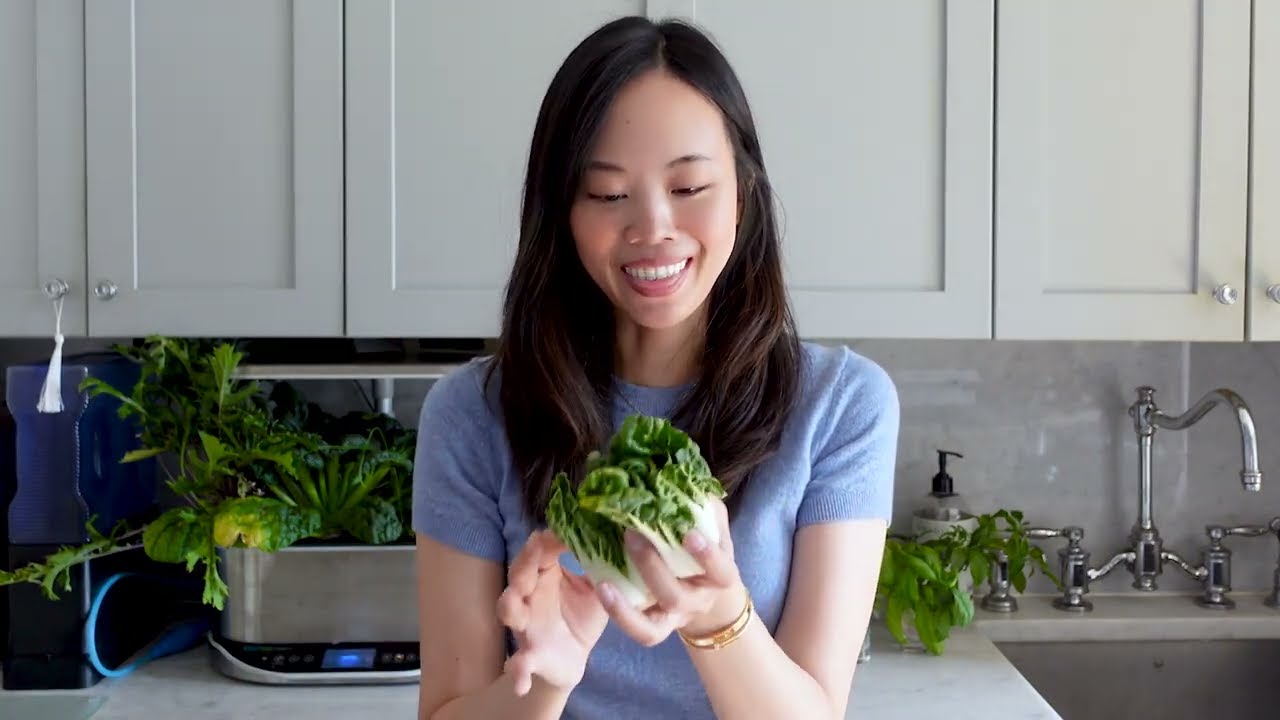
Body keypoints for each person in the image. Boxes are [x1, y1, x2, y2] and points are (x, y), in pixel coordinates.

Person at [411, 15, 898, 720]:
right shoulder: (472, 413)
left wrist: (718, 616)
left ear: (744, 193)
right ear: (562, 212)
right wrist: (547, 680)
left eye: (690, 187)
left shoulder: (841, 404)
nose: (653, 229)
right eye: (609, 195)